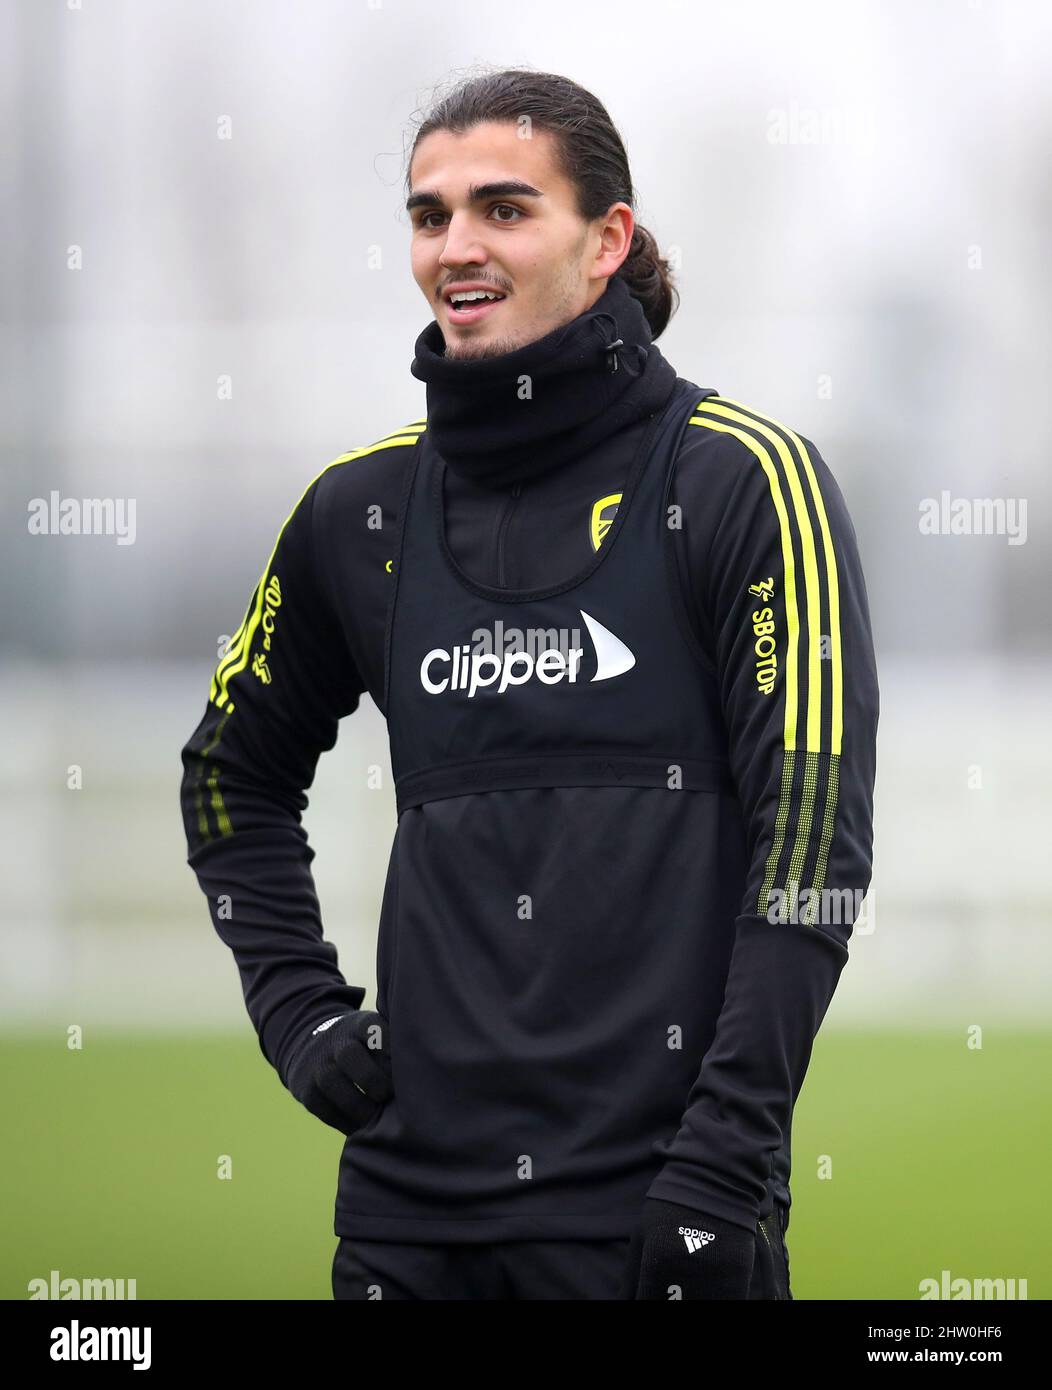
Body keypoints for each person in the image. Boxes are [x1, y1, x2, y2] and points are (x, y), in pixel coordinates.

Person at [179, 67, 879, 1301]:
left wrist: (720, 1168)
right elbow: (229, 779)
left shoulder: (743, 481)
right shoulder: (360, 512)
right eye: (427, 214)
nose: (456, 245)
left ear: (605, 239)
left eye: (504, 208)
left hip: (662, 1212)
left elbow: (810, 851)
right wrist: (302, 1018)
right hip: (405, 1226)